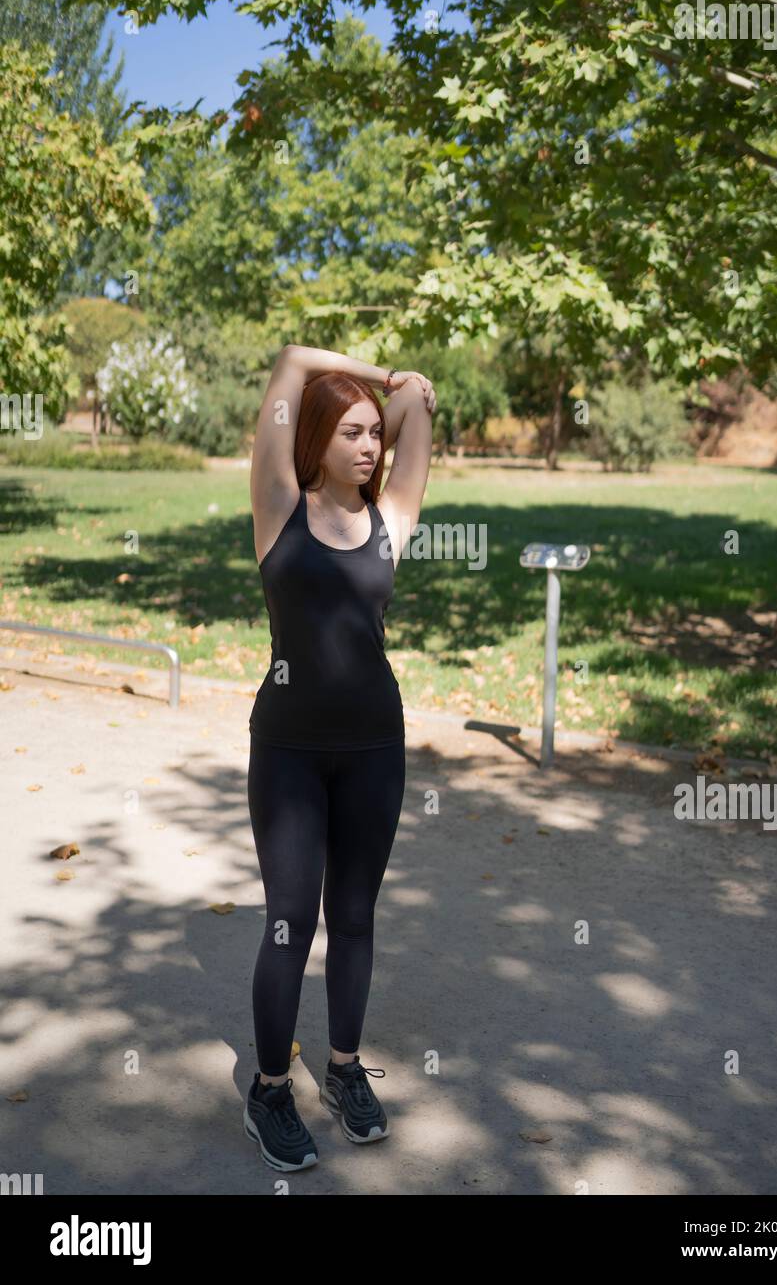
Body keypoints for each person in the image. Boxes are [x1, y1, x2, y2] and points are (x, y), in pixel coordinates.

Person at [242, 342, 436, 1172]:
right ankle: (269, 1092)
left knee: (354, 917)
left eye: (374, 435)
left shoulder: (388, 518)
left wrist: (403, 397)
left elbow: (415, 416)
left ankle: (346, 1071)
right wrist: (378, 374)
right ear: (316, 437)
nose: (369, 446)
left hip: (373, 748)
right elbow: (289, 363)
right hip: (287, 749)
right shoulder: (279, 505)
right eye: (351, 432)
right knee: (291, 923)